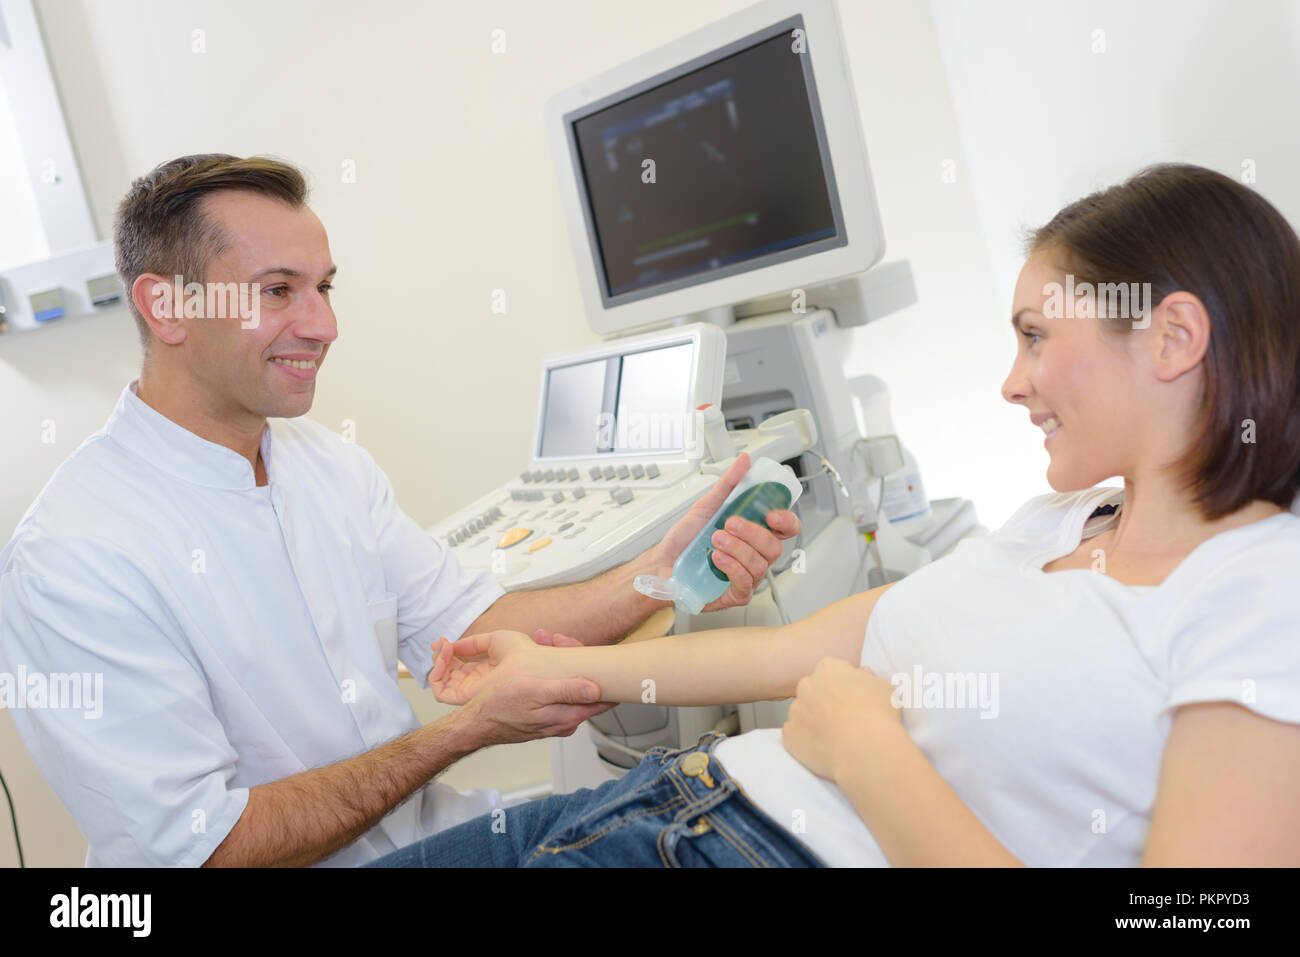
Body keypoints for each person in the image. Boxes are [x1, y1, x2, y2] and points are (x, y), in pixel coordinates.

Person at [367, 162, 1300, 868]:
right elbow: (790, 651)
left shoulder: (1261, 593)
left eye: (1036, 336)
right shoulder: (1062, 521)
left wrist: (866, 752)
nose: (1013, 382)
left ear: (1174, 336)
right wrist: (557, 670)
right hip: (672, 800)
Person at [0, 153, 801, 867]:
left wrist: (657, 575)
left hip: (430, 837)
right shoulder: (73, 557)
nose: (323, 325)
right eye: (279, 290)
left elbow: (479, 621)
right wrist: (464, 730)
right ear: (167, 307)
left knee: (727, 796)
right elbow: (207, 847)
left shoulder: (325, 464)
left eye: (324, 288)